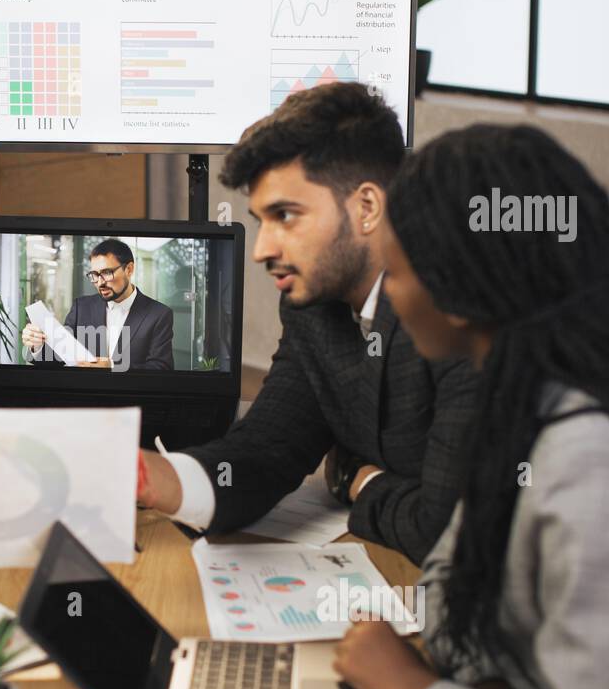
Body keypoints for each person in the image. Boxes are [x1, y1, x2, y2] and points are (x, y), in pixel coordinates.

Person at [334, 124, 609, 689]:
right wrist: (482, 684)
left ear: (456, 297)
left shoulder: (599, 475)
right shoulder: (521, 395)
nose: (389, 297)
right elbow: (448, 581)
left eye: (394, 272)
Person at [136, 83, 479, 563]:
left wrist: (362, 481)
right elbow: (266, 449)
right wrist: (149, 475)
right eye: (261, 221)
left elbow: (446, 532)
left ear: (366, 208)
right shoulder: (311, 305)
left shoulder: (460, 307)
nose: (262, 250)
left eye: (286, 216)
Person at [22, 239, 175, 371]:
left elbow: (161, 368)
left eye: (107, 273)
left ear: (129, 269)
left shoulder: (158, 314)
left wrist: (113, 366)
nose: (100, 282)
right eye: (94, 275)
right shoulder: (81, 307)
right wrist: (37, 346)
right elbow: (58, 357)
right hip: (86, 400)